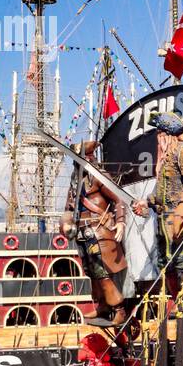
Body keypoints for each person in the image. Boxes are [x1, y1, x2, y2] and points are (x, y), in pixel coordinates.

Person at [132, 112, 183, 314]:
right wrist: (146, 202)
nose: (158, 139)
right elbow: (160, 192)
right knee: (170, 265)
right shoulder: (166, 159)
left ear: (168, 133)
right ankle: (180, 300)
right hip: (164, 221)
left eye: (160, 134)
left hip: (182, 219)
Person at [62, 140, 129, 328]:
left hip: (99, 231)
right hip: (83, 233)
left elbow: (119, 199)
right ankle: (102, 306)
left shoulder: (100, 177)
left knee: (102, 273)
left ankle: (119, 310)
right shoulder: (75, 184)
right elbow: (68, 209)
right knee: (91, 273)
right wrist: (65, 224)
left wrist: (121, 222)